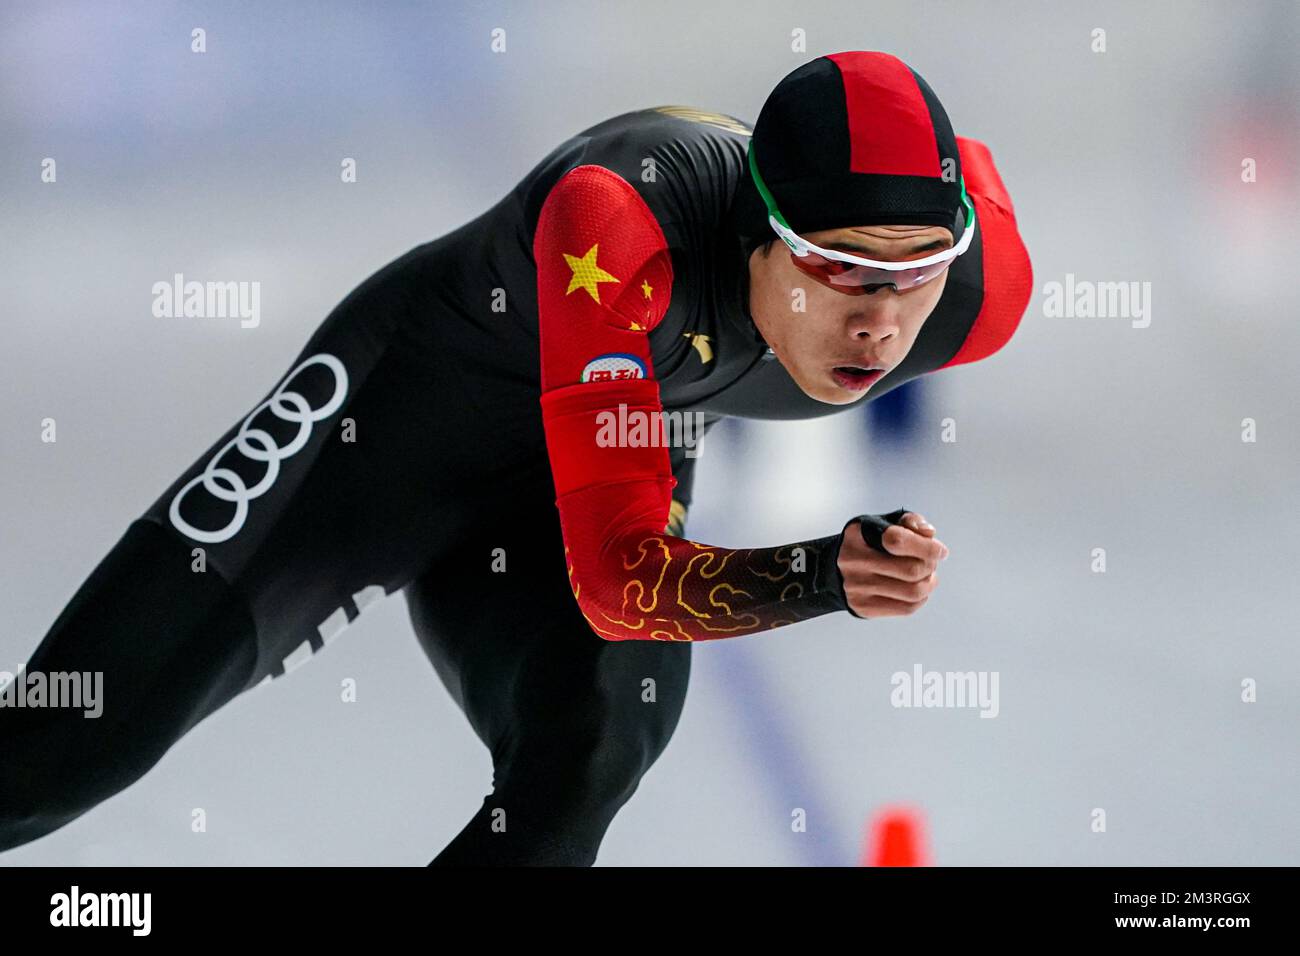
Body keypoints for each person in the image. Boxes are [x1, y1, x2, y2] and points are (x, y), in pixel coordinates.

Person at [0, 51, 1032, 865]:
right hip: (392, 428)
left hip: (594, 468)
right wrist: (823, 571)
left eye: (917, 270)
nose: (879, 322)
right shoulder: (623, 221)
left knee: (588, 754)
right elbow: (623, 581)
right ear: (758, 230)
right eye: (841, 268)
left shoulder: (984, 293)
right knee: (57, 749)